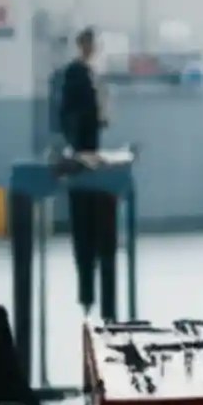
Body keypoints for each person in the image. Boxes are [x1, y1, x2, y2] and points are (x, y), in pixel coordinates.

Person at [59, 27, 117, 318]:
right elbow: (70, 116)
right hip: (81, 159)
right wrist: (77, 151)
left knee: (99, 230)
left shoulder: (92, 76)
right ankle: (86, 292)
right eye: (92, 44)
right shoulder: (75, 73)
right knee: (83, 229)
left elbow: (94, 116)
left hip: (90, 155)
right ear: (83, 45)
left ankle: (101, 301)